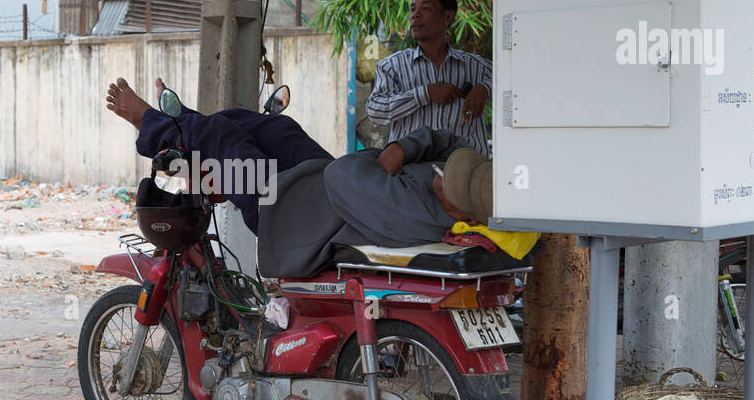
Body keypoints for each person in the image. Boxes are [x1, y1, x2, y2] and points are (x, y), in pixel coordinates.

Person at [106, 77, 495, 277]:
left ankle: (154, 123)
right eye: (450, 170)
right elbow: (448, 139)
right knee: (273, 127)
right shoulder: (463, 186)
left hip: (291, 217)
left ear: (466, 215)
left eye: (450, 183)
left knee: (220, 137)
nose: (442, 176)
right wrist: (405, 149)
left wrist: (385, 158)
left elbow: (348, 174)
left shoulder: (413, 212)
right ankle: (183, 126)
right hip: (323, 191)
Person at [366, 0, 492, 157]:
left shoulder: (476, 66)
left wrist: (485, 88)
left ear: (447, 17)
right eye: (413, 9)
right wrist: (425, 93)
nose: (415, 15)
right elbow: (375, 111)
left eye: (425, 8)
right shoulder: (391, 66)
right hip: (410, 173)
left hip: (464, 174)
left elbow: (517, 81)